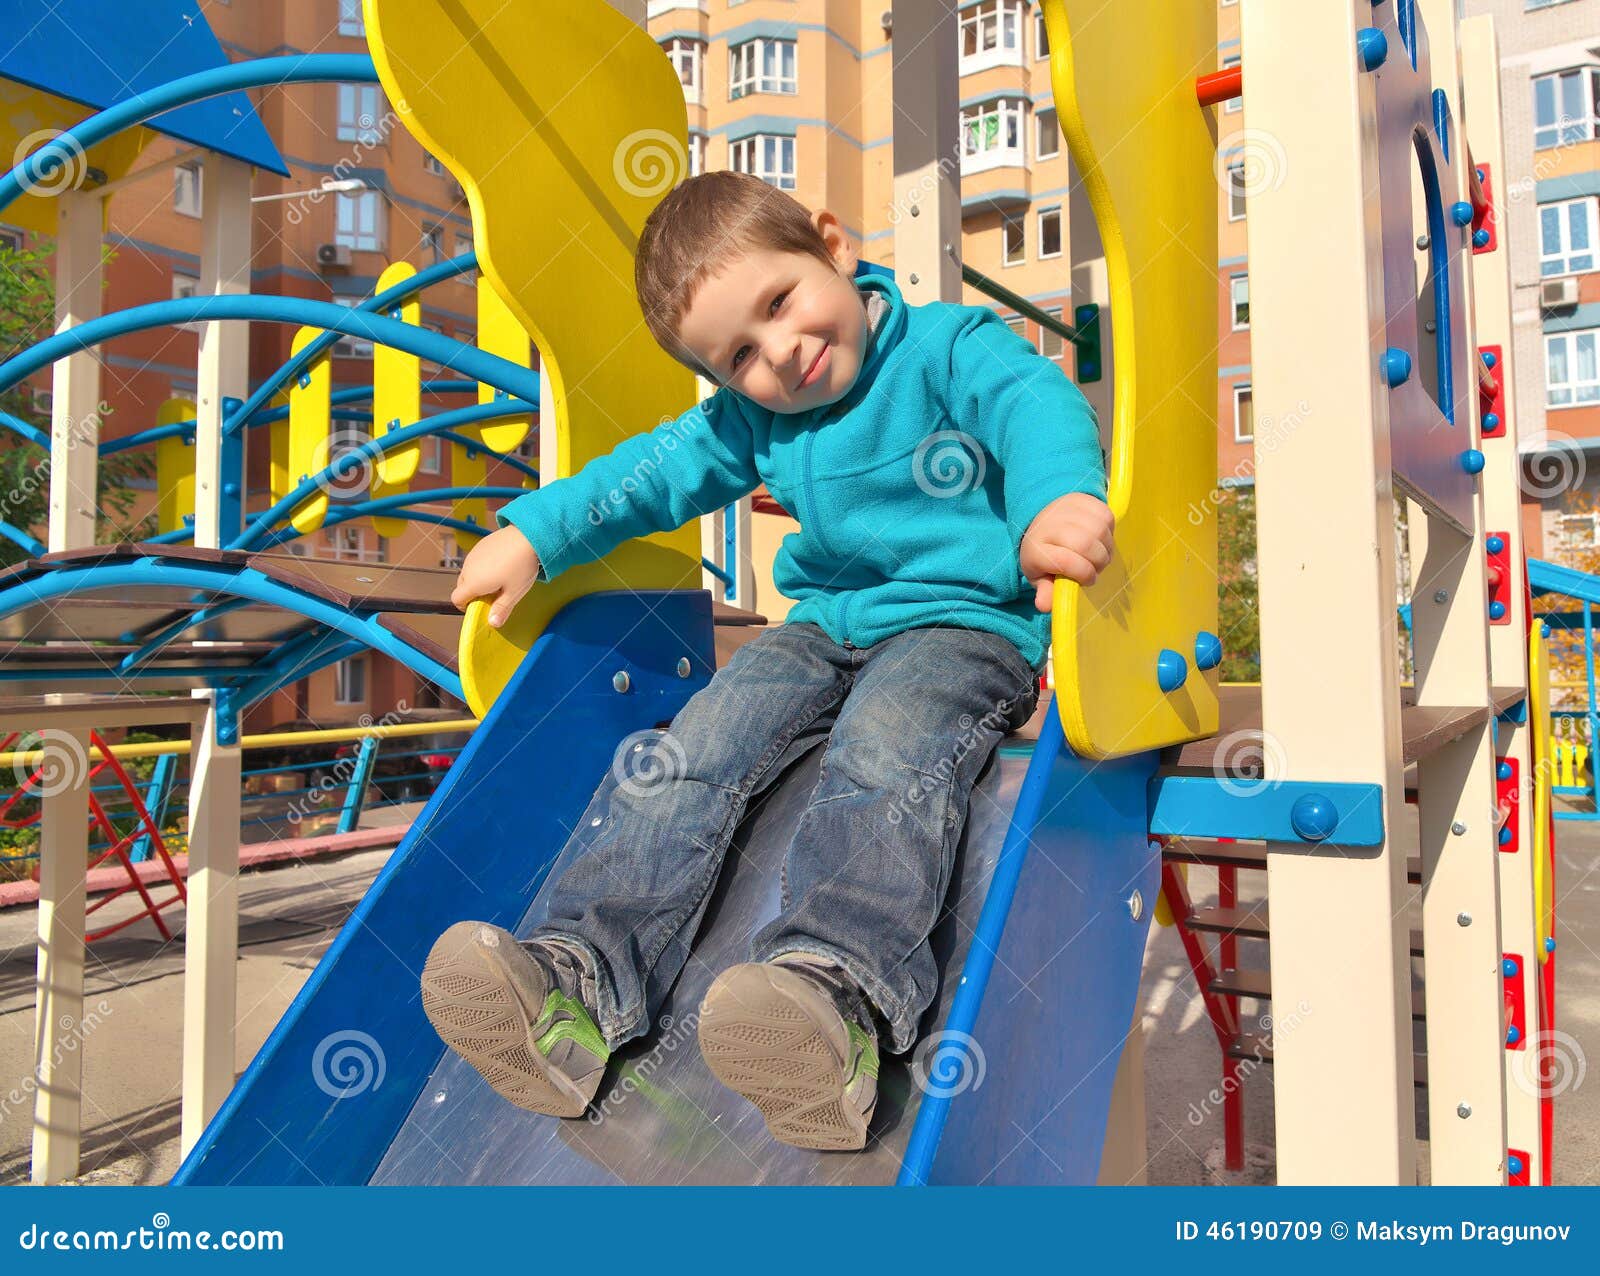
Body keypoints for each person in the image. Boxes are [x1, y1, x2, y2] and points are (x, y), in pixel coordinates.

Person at [421, 170, 1114, 1151]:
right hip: (825, 624)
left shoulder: (946, 348)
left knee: (886, 746)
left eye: (780, 305)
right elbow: (646, 474)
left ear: (833, 245)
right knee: (695, 746)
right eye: (739, 355)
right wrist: (536, 533)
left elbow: (1030, 401)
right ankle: (577, 987)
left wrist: (1053, 504)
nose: (779, 356)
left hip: (964, 624)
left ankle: (835, 1005)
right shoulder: (759, 421)